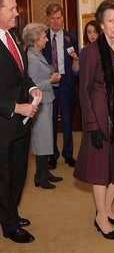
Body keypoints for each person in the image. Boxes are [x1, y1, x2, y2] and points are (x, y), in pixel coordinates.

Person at [74, 0, 114, 240]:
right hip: (100, 121)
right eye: (111, 20)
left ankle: (108, 209)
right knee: (101, 172)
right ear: (101, 24)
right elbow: (84, 91)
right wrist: (92, 125)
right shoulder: (91, 52)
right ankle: (101, 217)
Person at [0, 0, 42, 243]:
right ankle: (9, 224)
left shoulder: (14, 36)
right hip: (4, 123)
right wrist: (16, 107)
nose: (18, 12)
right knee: (4, 177)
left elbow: (22, 75)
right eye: (12, 8)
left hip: (22, 123)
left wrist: (32, 87)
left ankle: (10, 212)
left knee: (18, 173)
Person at [23, 23, 63, 189]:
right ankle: (40, 176)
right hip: (39, 103)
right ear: (35, 40)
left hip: (46, 100)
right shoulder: (31, 58)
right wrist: (51, 81)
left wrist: (52, 78)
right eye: (44, 37)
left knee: (46, 138)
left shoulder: (37, 54)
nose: (47, 39)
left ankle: (45, 173)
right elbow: (31, 84)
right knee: (41, 139)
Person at [42, 3, 79, 169]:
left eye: (58, 18)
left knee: (67, 120)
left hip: (66, 83)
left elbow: (77, 62)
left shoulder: (71, 38)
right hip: (49, 83)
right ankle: (52, 155)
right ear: (48, 19)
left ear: (63, 18)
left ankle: (68, 154)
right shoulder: (42, 38)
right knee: (49, 121)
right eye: (52, 18)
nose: (56, 22)